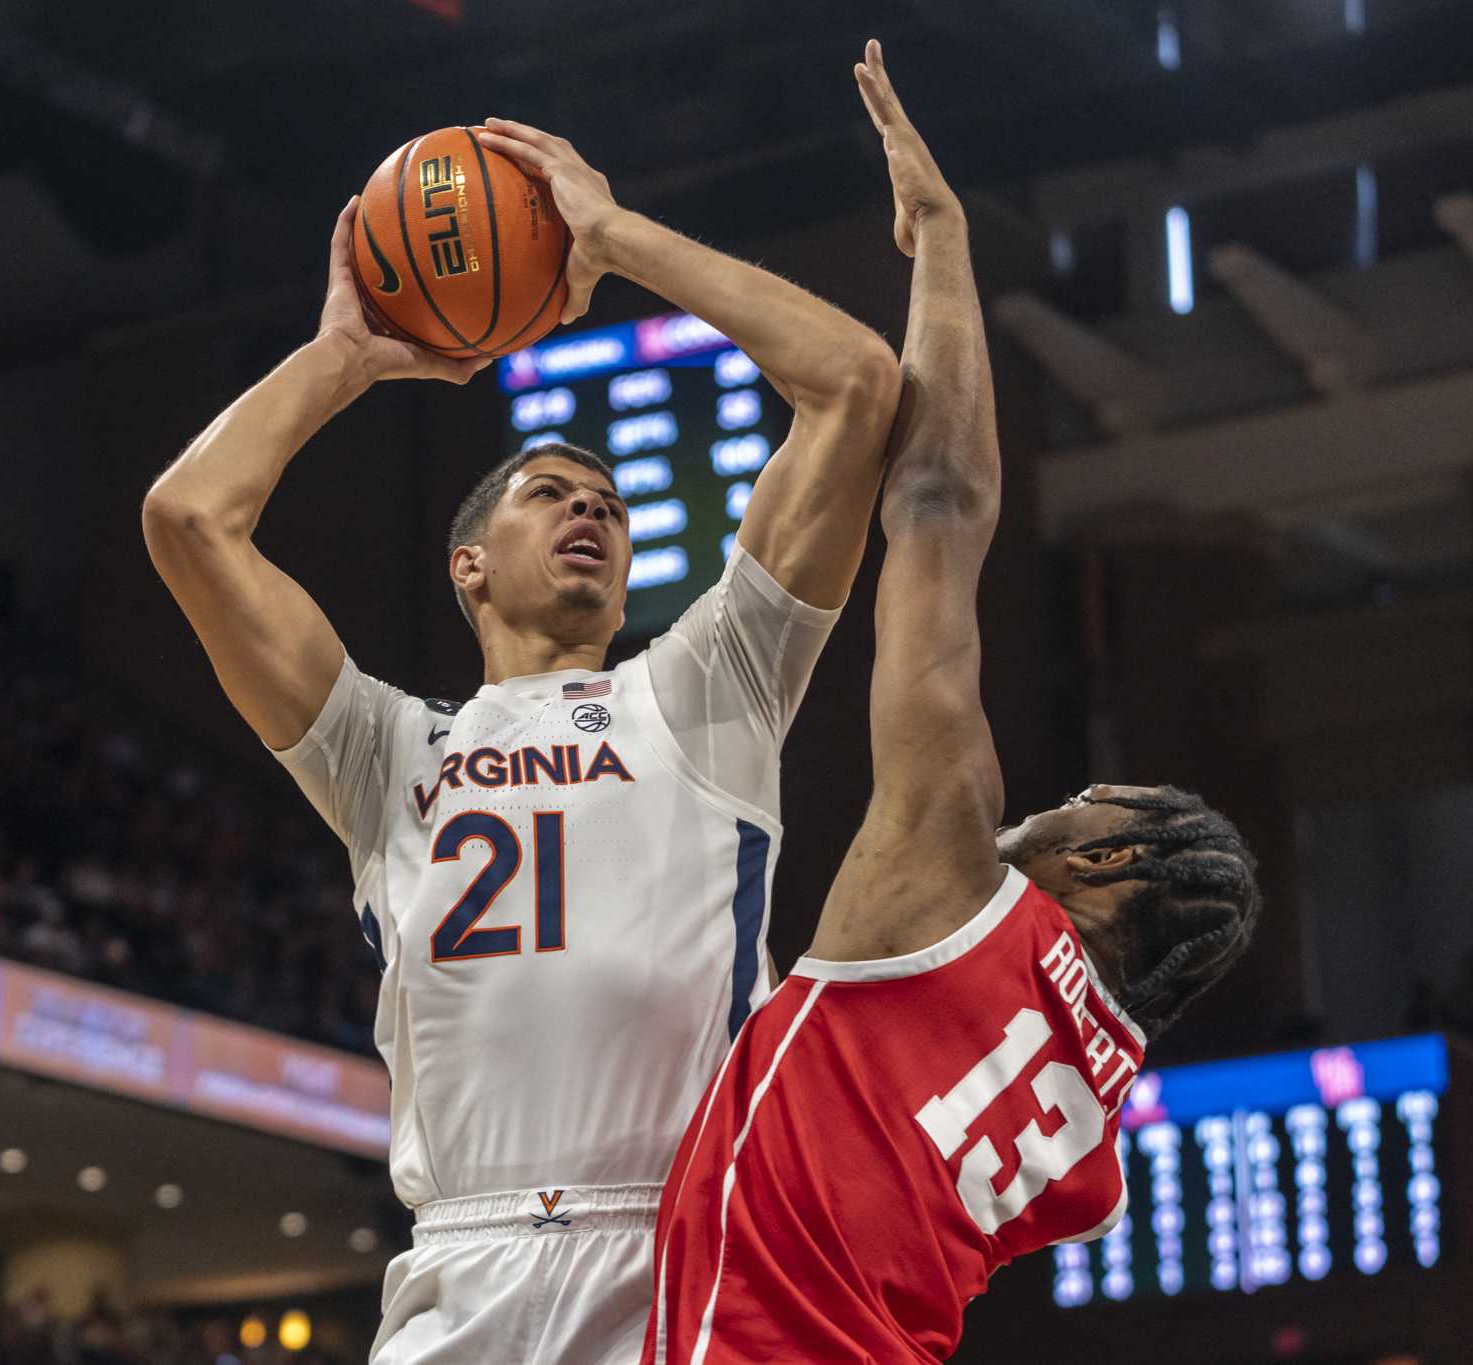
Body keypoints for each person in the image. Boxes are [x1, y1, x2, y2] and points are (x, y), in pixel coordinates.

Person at [141, 116, 900, 1360]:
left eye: (606, 504)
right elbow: (186, 520)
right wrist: (343, 357)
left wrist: (613, 238)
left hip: (686, 1240)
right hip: (466, 1256)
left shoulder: (707, 689)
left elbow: (854, 383)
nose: (588, 510)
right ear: (469, 565)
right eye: (549, 493)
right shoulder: (383, 751)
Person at [642, 43, 1262, 1364]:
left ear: (1101, 861)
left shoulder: (949, 889)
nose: (1039, 806)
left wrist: (944, 246)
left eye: (1078, 804)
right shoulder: (1091, 1149)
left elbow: (937, 510)